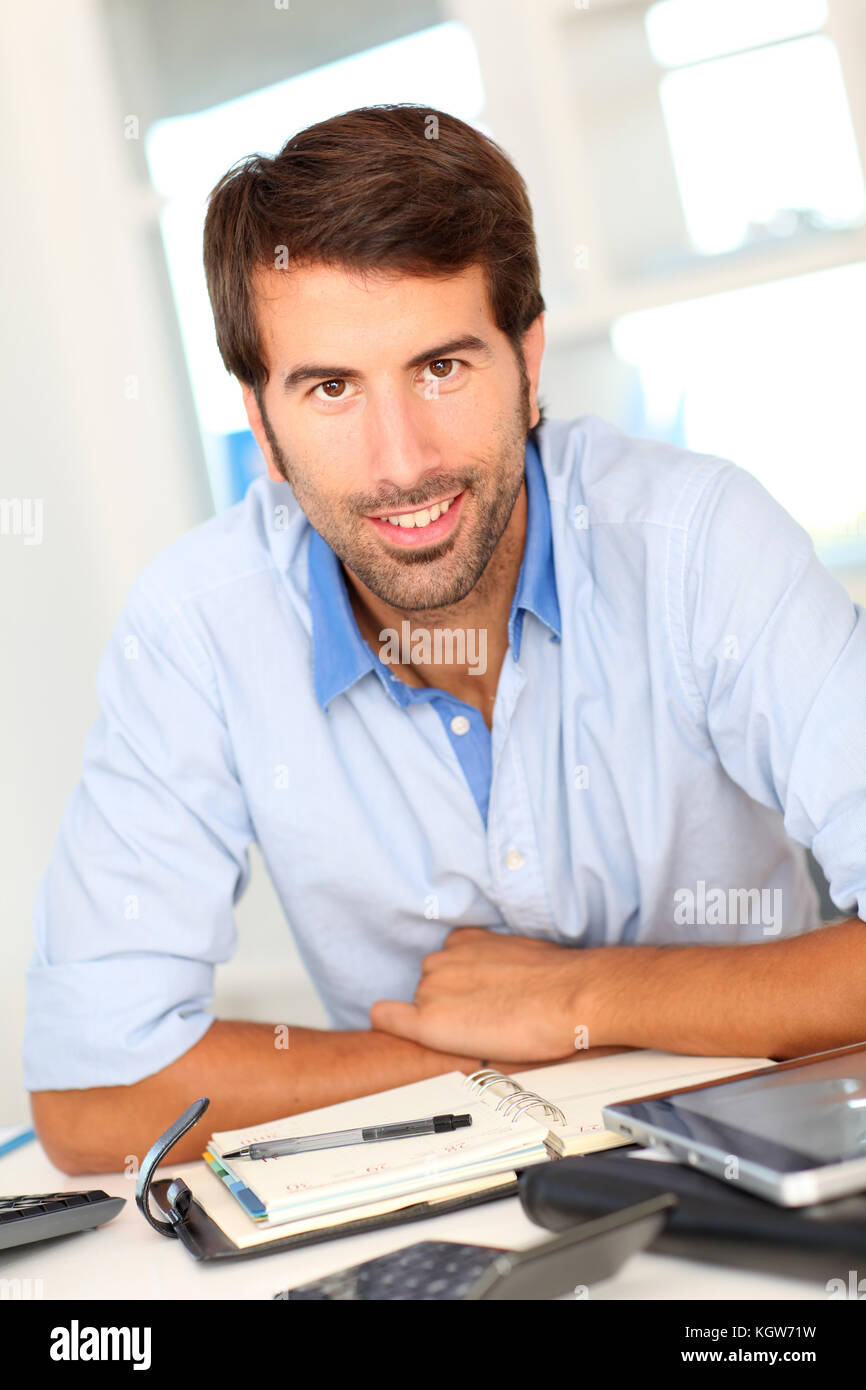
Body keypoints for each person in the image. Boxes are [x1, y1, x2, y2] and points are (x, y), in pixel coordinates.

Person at [25, 106, 866, 1173]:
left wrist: (578, 996)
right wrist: (521, 1058)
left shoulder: (698, 542)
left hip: (771, 1177)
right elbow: (92, 1096)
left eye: (441, 367)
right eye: (329, 388)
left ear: (526, 356)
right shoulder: (195, 628)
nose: (398, 461)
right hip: (437, 1213)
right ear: (263, 422)